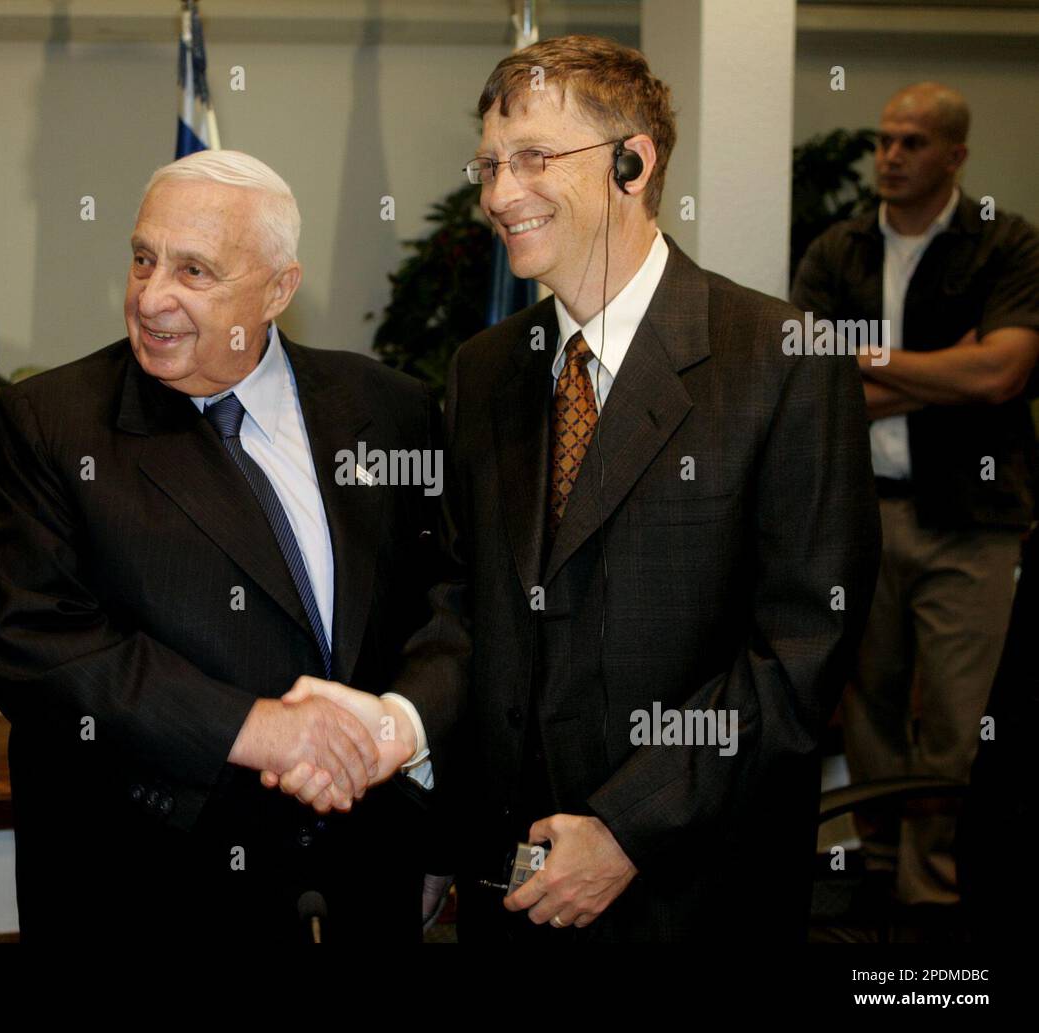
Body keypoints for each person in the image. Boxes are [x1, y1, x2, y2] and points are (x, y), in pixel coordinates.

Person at [267, 35, 882, 942]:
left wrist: (632, 827)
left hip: (694, 894)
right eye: (488, 165)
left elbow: (799, 653)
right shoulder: (485, 371)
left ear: (633, 163)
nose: (497, 195)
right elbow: (465, 602)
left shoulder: (781, 361)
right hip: (511, 892)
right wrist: (400, 722)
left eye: (533, 159)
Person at [0, 150, 440, 943]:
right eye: (143, 258)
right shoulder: (51, 423)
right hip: (149, 892)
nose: (152, 297)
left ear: (279, 289)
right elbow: (37, 647)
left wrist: (432, 822)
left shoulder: (389, 410)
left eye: (194, 271)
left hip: (367, 880)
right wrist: (262, 728)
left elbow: (443, 612)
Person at [792, 83, 1039, 909]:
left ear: (956, 155)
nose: (891, 157)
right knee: (868, 708)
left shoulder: (1003, 244)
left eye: (913, 143)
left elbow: (1005, 370)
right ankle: (876, 870)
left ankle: (934, 894)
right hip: (858, 515)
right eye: (885, 140)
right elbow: (811, 384)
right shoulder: (839, 248)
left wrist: (871, 364)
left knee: (961, 719)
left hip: (970, 521)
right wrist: (946, 372)